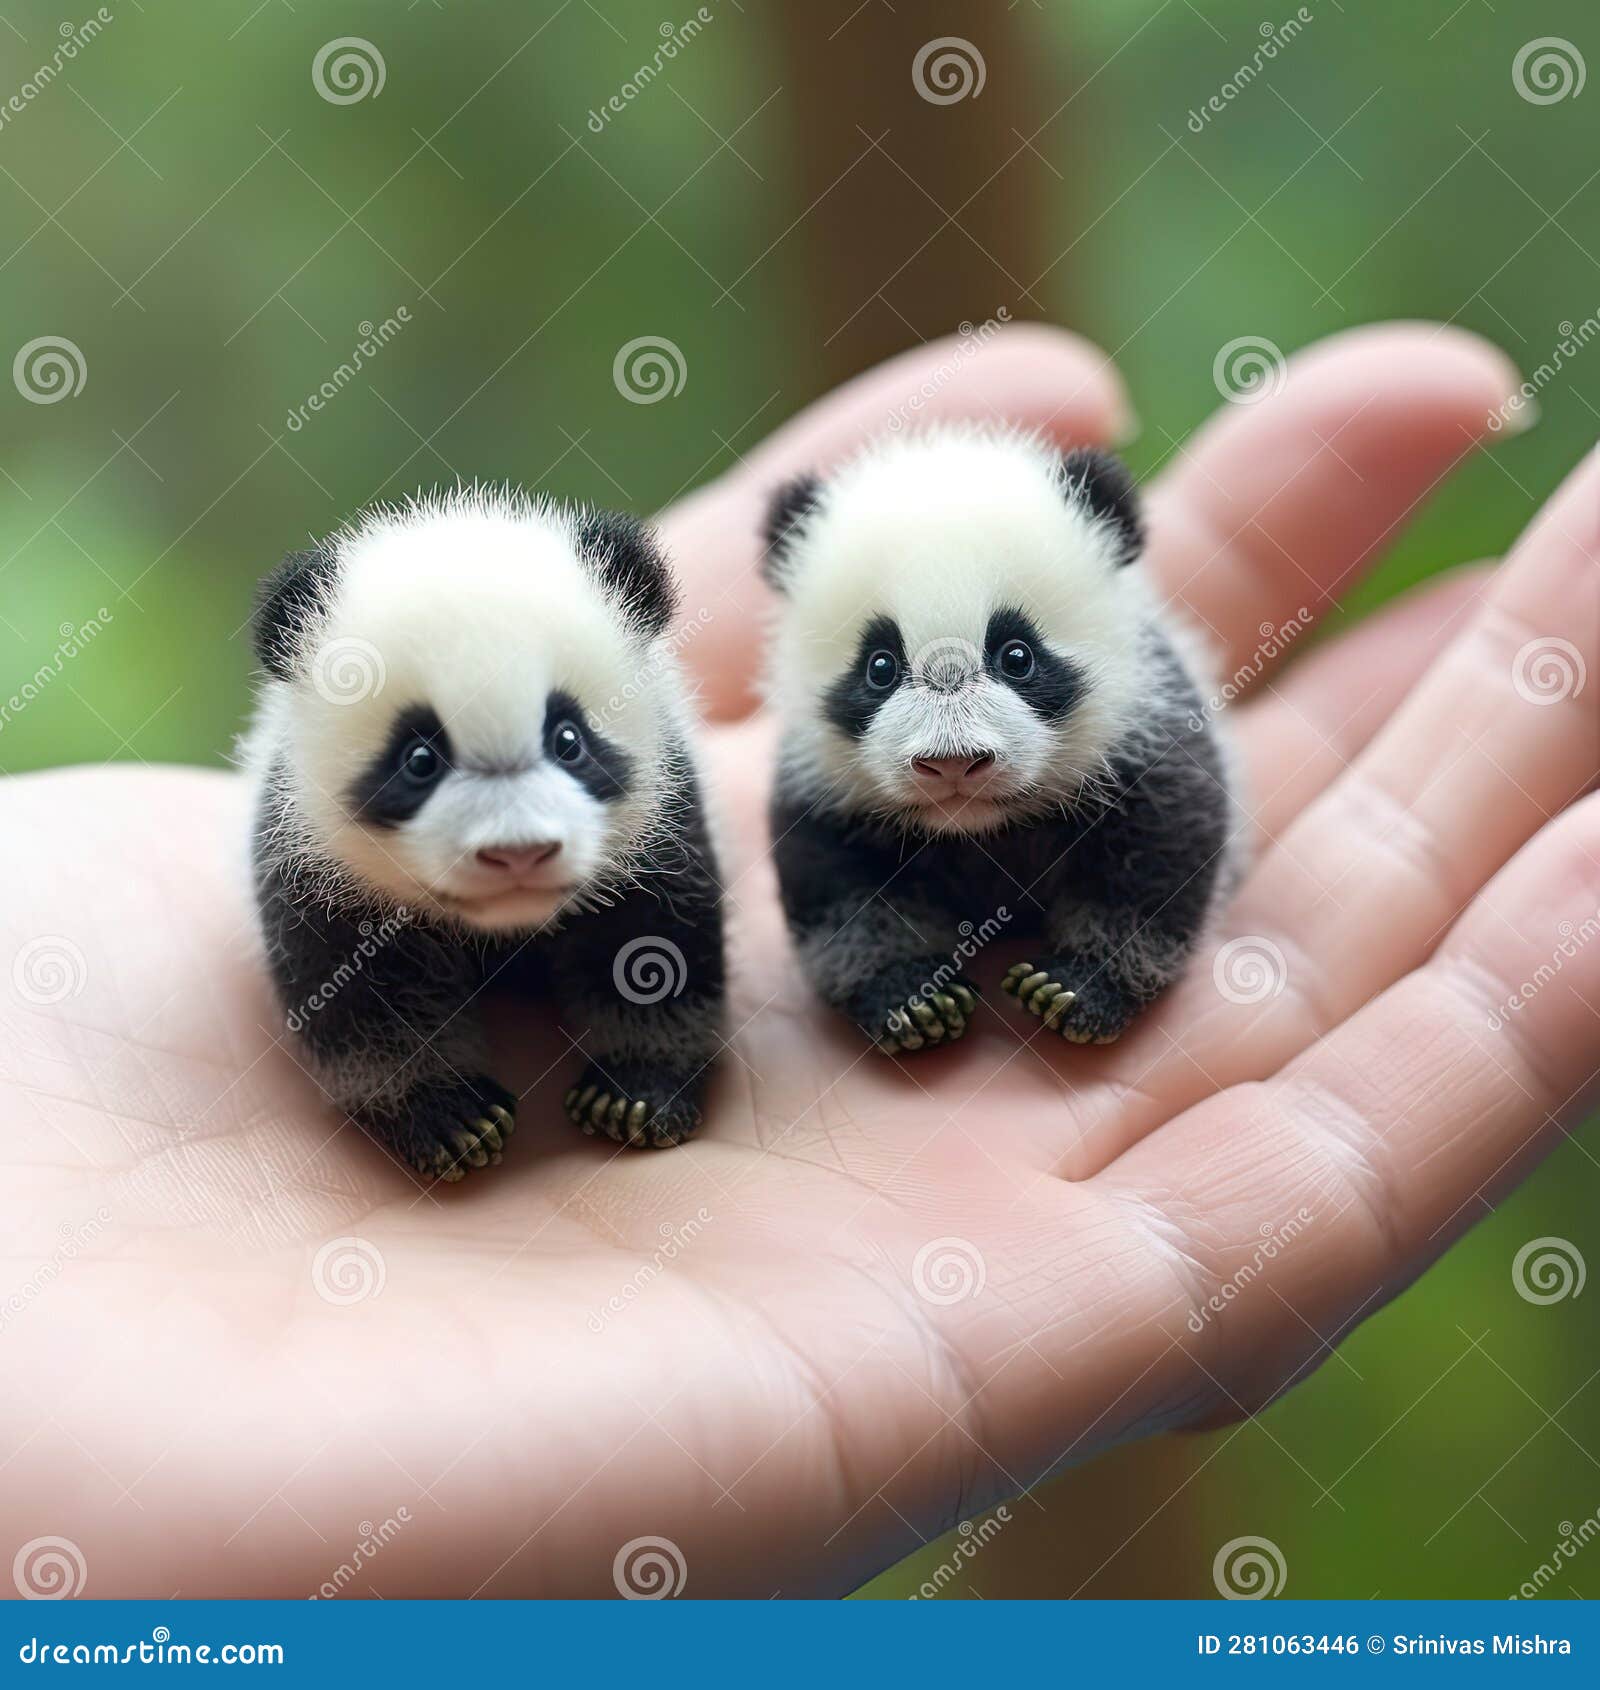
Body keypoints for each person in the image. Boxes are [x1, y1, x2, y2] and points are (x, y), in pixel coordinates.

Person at [1, 322, 1594, 1599]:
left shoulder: (1048, 750)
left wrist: (664, 1051)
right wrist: (407, 1088)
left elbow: (695, 945)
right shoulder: (344, 835)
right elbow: (809, 903)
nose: (513, 825)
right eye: (420, 766)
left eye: (565, 745)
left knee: (662, 959)